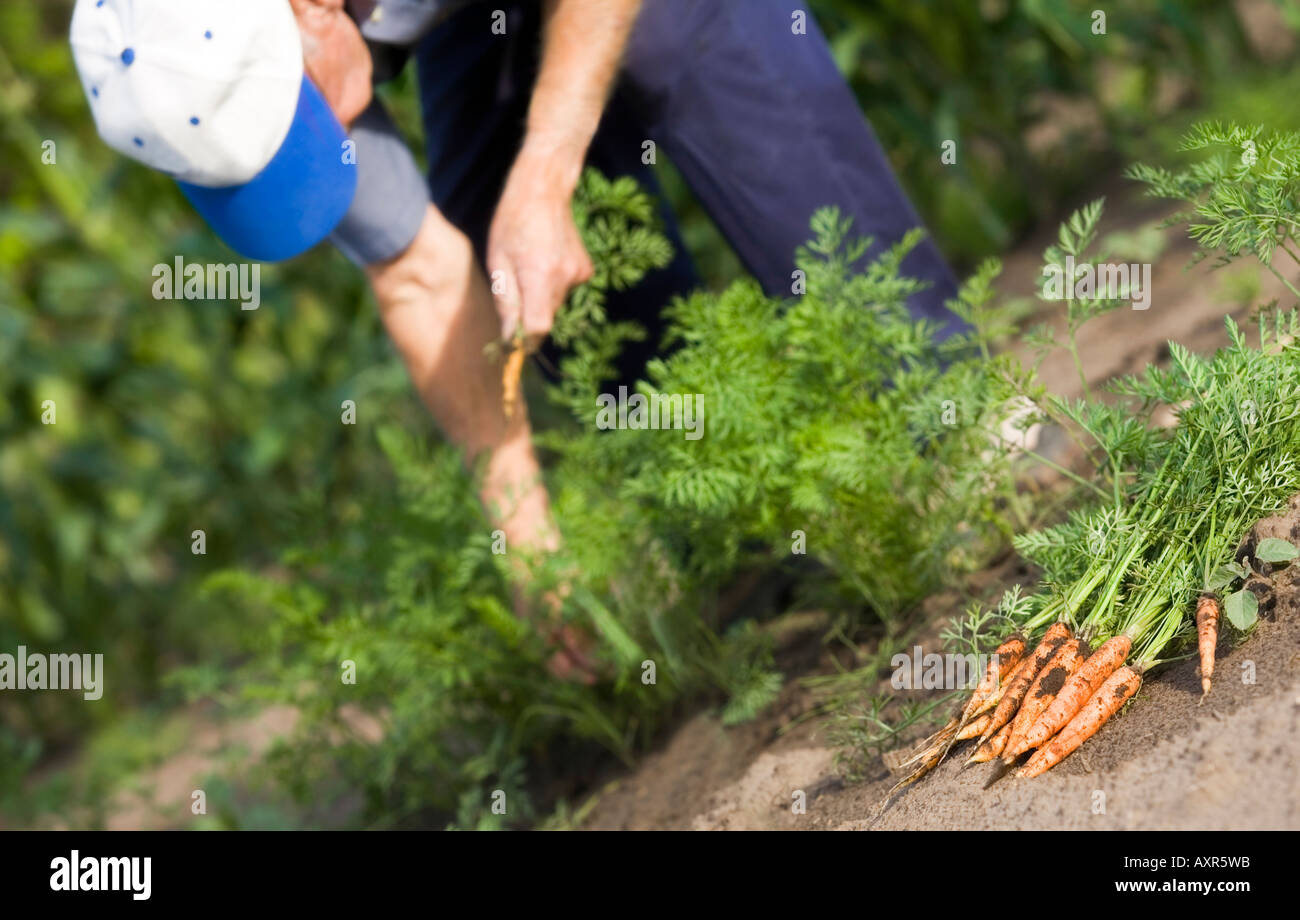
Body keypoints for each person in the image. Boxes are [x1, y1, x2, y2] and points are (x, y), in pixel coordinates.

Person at [72, 0, 963, 677]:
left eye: (297, 124)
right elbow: (417, 273)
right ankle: (746, 525)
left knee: (668, 45)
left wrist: (549, 171)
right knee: (495, 210)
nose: (326, 138)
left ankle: (952, 429)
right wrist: (528, 542)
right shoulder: (190, 59)